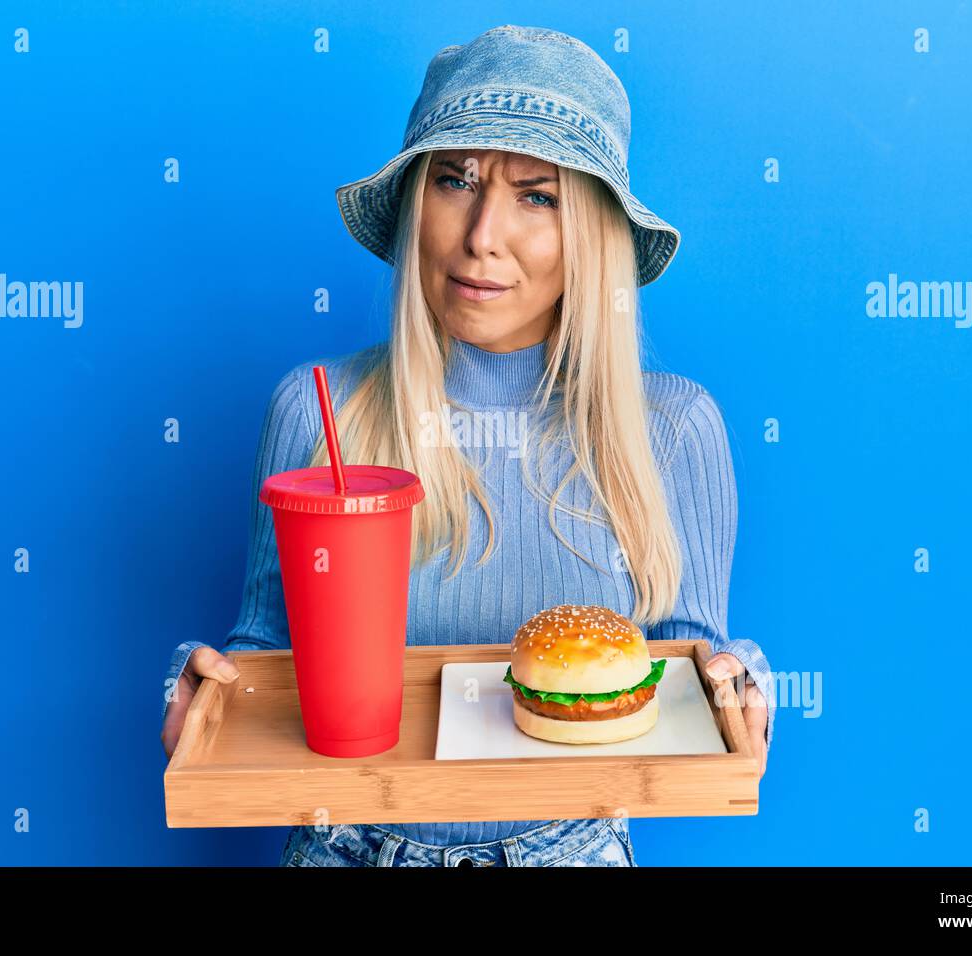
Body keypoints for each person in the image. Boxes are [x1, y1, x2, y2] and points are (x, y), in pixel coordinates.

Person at [160, 24, 774, 867]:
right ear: (419, 204)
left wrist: (740, 682)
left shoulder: (673, 430)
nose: (482, 233)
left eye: (537, 195)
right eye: (455, 181)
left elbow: (685, 664)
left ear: (589, 235)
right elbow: (266, 656)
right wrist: (202, 695)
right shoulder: (319, 412)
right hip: (346, 846)